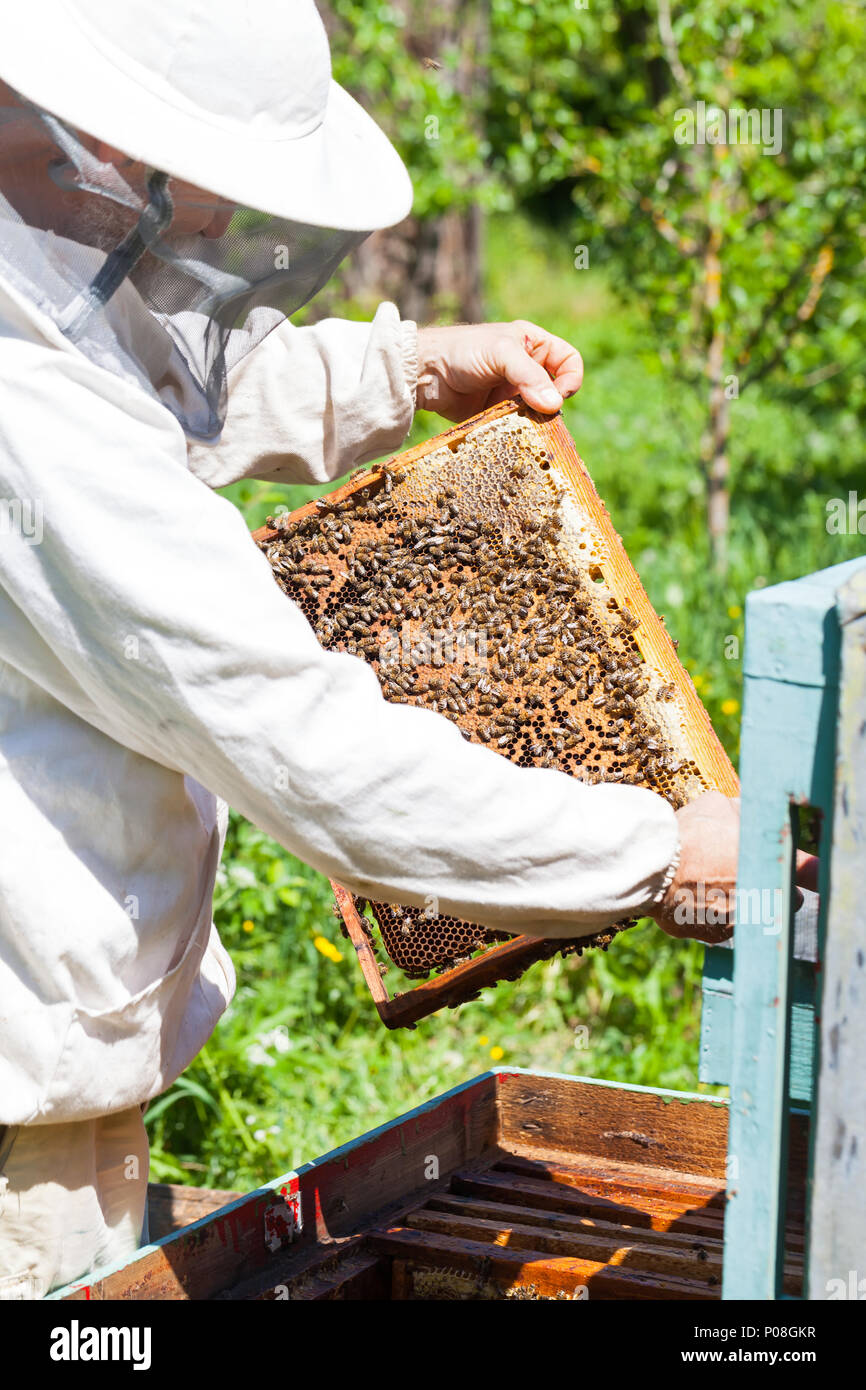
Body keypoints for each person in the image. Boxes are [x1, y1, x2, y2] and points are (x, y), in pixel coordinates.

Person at [0, 0, 748, 1298]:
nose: (227, 225)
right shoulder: (34, 419)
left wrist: (403, 366)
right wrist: (657, 846)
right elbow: (309, 748)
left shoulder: (39, 264)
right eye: (211, 180)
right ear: (101, 146)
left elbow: (156, 375)